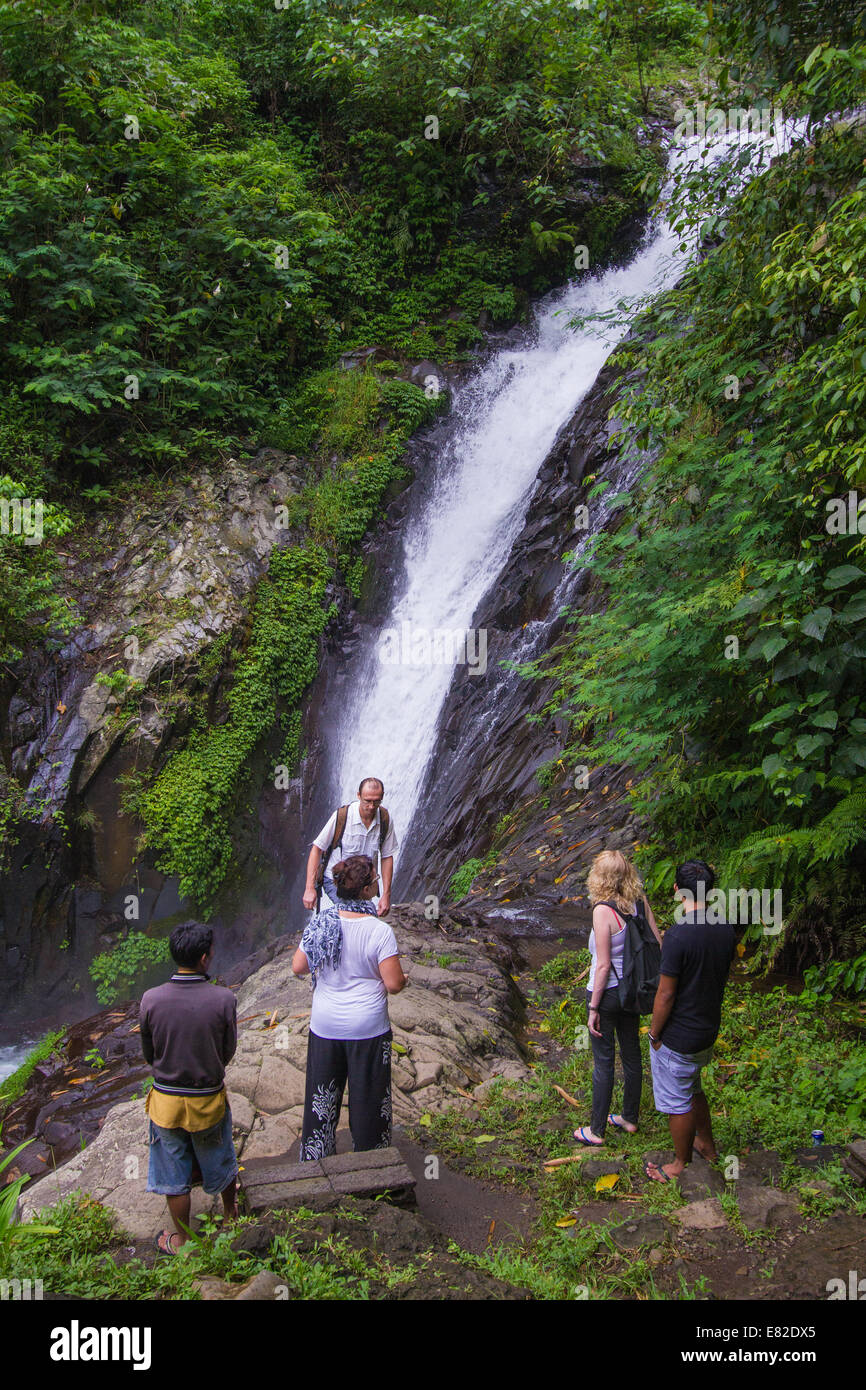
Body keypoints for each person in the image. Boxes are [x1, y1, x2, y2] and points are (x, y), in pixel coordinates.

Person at [293, 854, 406, 1159]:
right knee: (369, 1100)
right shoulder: (379, 931)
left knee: (322, 1099)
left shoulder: (321, 923)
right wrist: (402, 977)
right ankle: (372, 1165)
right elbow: (394, 984)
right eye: (375, 881)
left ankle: (315, 1165)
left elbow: (298, 967)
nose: (379, 884)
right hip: (367, 1029)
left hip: (325, 1025)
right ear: (366, 890)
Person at [139, 922, 238, 1255]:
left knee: (173, 1174)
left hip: (165, 1103)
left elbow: (149, 1055)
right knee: (220, 1158)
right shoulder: (224, 999)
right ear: (205, 958)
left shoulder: (151, 1000)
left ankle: (182, 1241)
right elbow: (228, 1051)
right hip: (207, 1102)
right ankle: (230, 1218)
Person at [645, 858, 737, 1183]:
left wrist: (654, 1033)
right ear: (710, 891)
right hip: (707, 1029)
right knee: (694, 1087)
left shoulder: (678, 936)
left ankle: (678, 1164)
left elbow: (665, 995)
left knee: (677, 1101)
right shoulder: (727, 929)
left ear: (676, 891)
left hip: (679, 1036)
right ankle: (708, 1146)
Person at [574, 850, 662, 1147]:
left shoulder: (602, 911)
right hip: (633, 990)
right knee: (632, 1054)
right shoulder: (639, 903)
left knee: (604, 1061)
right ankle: (629, 1118)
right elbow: (657, 942)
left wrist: (593, 1006)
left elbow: (602, 965)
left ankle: (596, 1130)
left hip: (608, 992)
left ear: (599, 877)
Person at [304, 777, 398, 917]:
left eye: (376, 801)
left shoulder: (384, 819)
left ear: (382, 797)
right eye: (367, 801)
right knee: (353, 915)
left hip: (364, 884)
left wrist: (386, 895)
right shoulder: (342, 816)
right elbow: (317, 848)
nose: (372, 806)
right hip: (336, 881)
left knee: (362, 917)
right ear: (358, 796)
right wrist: (309, 887)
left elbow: (387, 856)